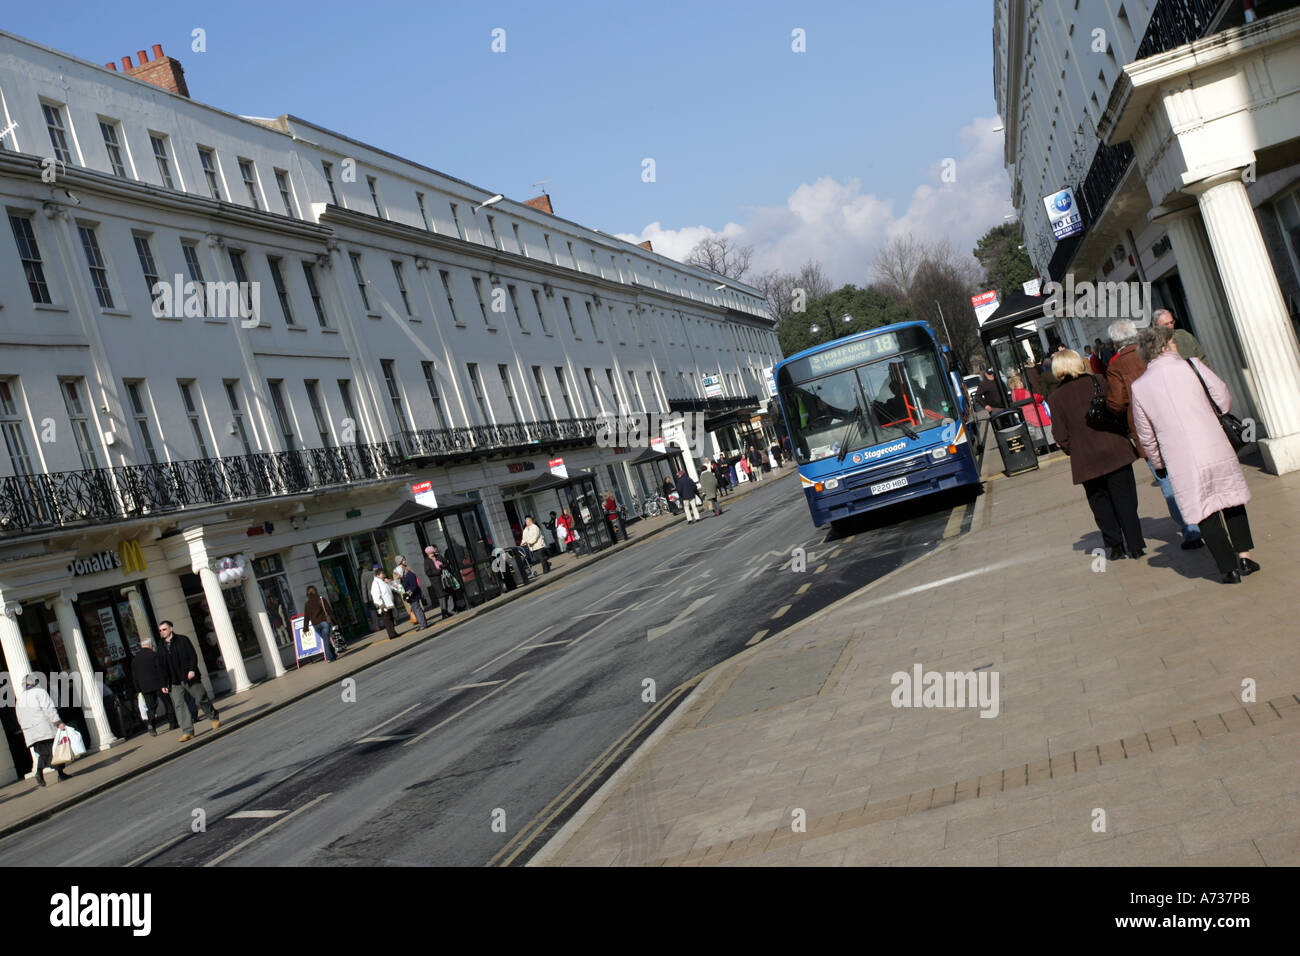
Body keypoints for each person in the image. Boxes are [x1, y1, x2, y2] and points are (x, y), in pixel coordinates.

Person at [1131, 327, 1258, 584]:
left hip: (1180, 458)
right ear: (1165, 346)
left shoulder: (1139, 387)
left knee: (1202, 510)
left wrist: (1158, 463)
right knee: (1231, 498)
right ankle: (1243, 555)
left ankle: (1227, 569)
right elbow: (1223, 400)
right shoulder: (1192, 366)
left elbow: (1145, 435)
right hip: (1213, 444)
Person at [1105, 318, 1203, 550]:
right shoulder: (1154, 354)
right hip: (1174, 420)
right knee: (1191, 472)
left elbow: (1117, 403)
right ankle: (1207, 518)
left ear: (1114, 342)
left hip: (1144, 429)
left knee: (1167, 482)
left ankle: (1192, 531)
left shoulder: (1116, 367)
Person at [1049, 349, 1146, 561]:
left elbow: (1059, 434)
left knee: (1100, 504)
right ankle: (1136, 544)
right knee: (1126, 500)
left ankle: (1115, 545)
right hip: (1115, 449)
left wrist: (1073, 448)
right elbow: (1117, 406)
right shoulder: (1099, 380)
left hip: (1086, 458)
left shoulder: (1055, 397)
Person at [157, 621, 219, 743]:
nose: (162, 632)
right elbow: (160, 667)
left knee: (201, 697)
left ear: (171, 628)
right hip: (173, 681)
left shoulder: (182, 640)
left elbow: (192, 655)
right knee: (179, 705)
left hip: (188, 676)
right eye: (160, 630)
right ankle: (187, 732)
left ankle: (213, 717)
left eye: (164, 629)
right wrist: (163, 683)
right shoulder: (160, 647)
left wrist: (192, 669)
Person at [17, 674, 71, 787]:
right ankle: (59, 774)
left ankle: (40, 773)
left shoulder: (20, 699)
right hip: (44, 728)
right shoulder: (40, 692)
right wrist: (58, 722)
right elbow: (49, 708)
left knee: (43, 753)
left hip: (30, 732)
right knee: (55, 750)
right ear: (35, 682)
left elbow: (19, 718)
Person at [132, 636, 177, 734]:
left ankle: (151, 724)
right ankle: (173, 724)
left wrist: (138, 689)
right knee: (167, 703)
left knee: (151, 707)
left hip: (145, 688)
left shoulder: (135, 660)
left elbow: (135, 677)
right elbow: (161, 671)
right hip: (159, 684)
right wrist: (164, 683)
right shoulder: (154, 655)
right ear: (150, 645)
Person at [1007, 372, 1052, 452]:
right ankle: (1046, 447)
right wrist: (1040, 397)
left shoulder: (1015, 393)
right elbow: (1034, 398)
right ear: (1015, 385)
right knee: (1042, 432)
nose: (1022, 383)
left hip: (1029, 415)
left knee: (1037, 433)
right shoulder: (1020, 392)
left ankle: (1041, 447)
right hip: (1034, 416)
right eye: (1019, 382)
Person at [303, 585, 338, 662]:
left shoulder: (307, 604)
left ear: (307, 594)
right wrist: (334, 622)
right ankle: (330, 657)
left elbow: (306, 617)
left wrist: (305, 628)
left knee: (326, 640)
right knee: (326, 640)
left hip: (316, 625)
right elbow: (328, 610)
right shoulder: (321, 599)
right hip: (324, 622)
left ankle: (333, 655)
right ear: (316, 591)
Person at [393, 556, 427, 629]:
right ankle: (421, 623)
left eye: (404, 559)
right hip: (408, 595)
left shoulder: (409, 573)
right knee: (414, 609)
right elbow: (399, 585)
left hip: (413, 594)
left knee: (417, 608)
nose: (404, 561)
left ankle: (423, 624)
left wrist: (410, 592)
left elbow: (414, 584)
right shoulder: (401, 574)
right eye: (403, 560)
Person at [424, 545, 455, 619]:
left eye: (432, 552)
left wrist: (442, 566)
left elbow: (446, 563)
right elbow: (428, 572)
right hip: (436, 581)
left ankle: (451, 610)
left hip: (444, 578)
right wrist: (437, 571)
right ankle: (444, 613)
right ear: (427, 554)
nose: (432, 554)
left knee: (449, 593)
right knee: (441, 596)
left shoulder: (439, 557)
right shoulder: (426, 561)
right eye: (430, 553)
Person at [370, 569, 400, 639]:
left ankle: (393, 632)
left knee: (391, 619)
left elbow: (393, 588)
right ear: (377, 575)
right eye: (382, 574)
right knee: (387, 620)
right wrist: (381, 604)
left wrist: (390, 582)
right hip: (384, 605)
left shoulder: (383, 582)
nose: (384, 575)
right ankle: (391, 634)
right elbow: (375, 594)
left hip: (389, 603)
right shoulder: (376, 583)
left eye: (383, 573)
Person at [359, 563, 379, 632]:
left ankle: (377, 627)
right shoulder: (372, 573)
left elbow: (364, 588)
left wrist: (365, 600)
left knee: (372, 611)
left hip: (370, 596)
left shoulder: (363, 576)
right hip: (376, 593)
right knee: (380, 608)